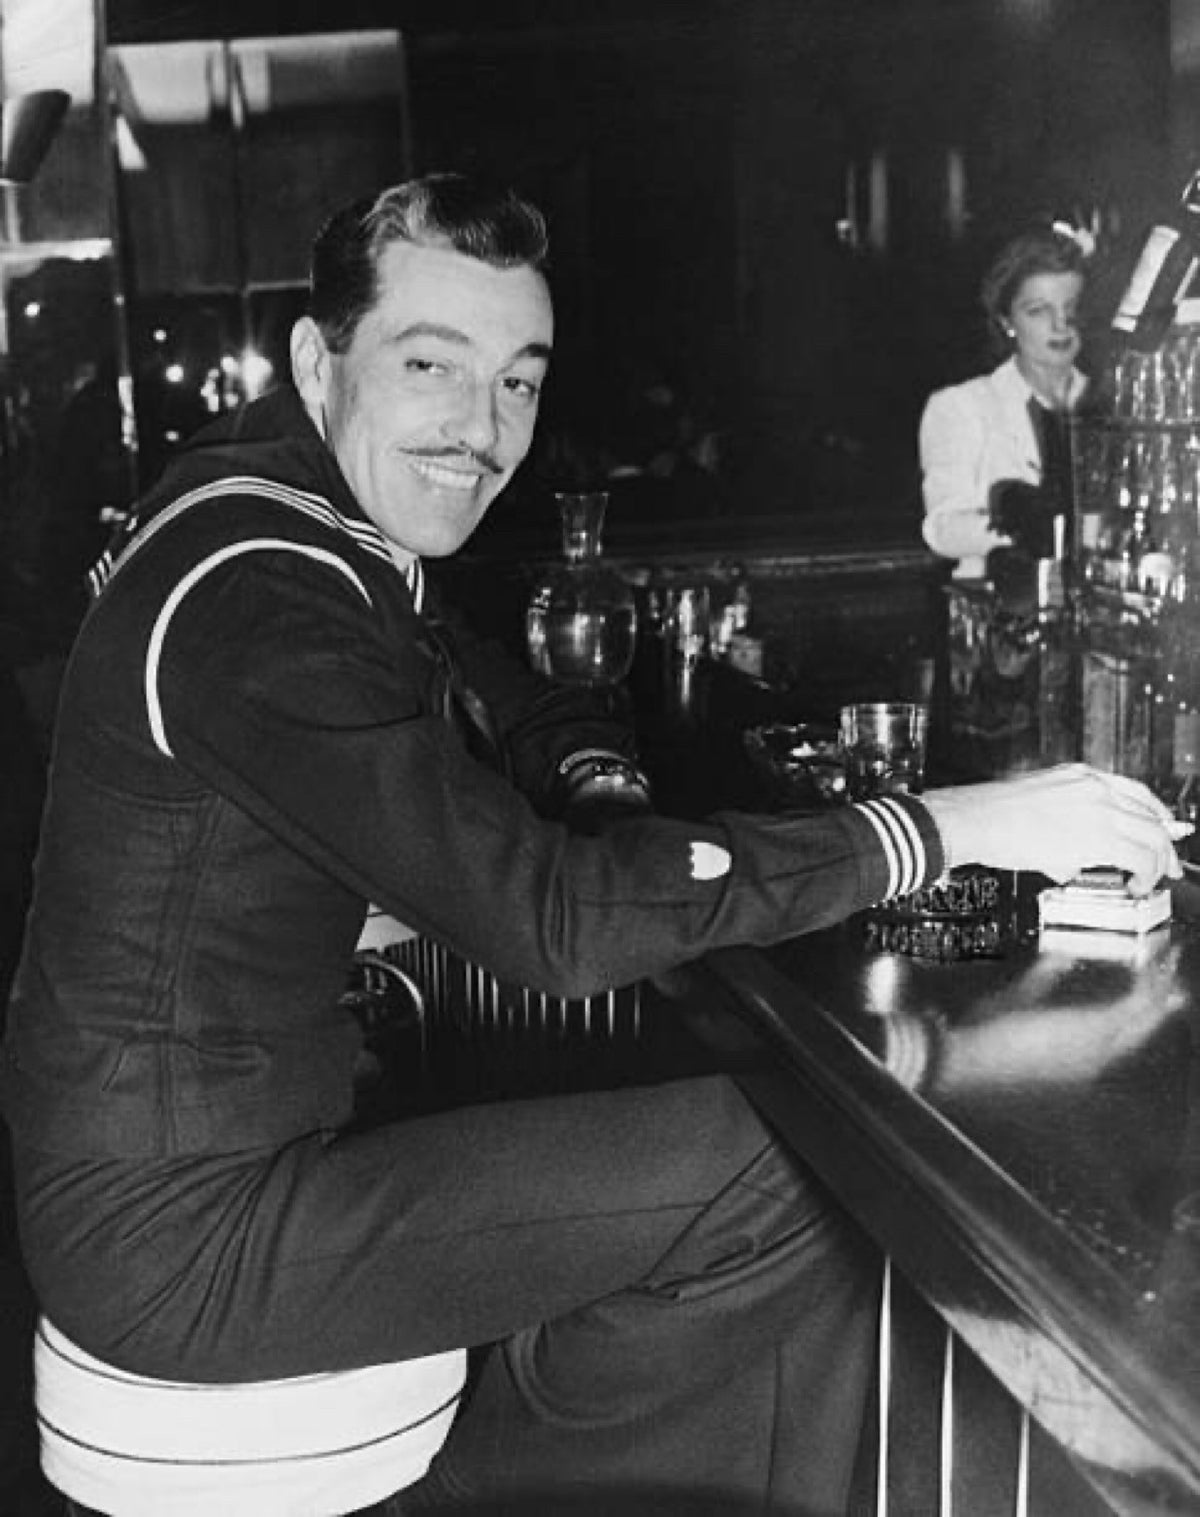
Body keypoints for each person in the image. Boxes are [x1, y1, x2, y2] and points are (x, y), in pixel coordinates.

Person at [0, 173, 1185, 1517]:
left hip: (183, 1172)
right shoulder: (262, 593)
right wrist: (947, 825)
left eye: (517, 379)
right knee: (795, 1169)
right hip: (184, 1238)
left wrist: (581, 757)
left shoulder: (270, 504)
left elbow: (458, 648)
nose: (481, 427)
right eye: (430, 363)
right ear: (317, 359)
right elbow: (549, 923)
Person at [919, 226, 1090, 580]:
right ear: (1007, 322)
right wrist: (1028, 529)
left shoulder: (1109, 402)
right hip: (999, 609)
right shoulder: (961, 406)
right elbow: (941, 529)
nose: (1061, 326)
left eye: (1070, 308)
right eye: (1038, 311)